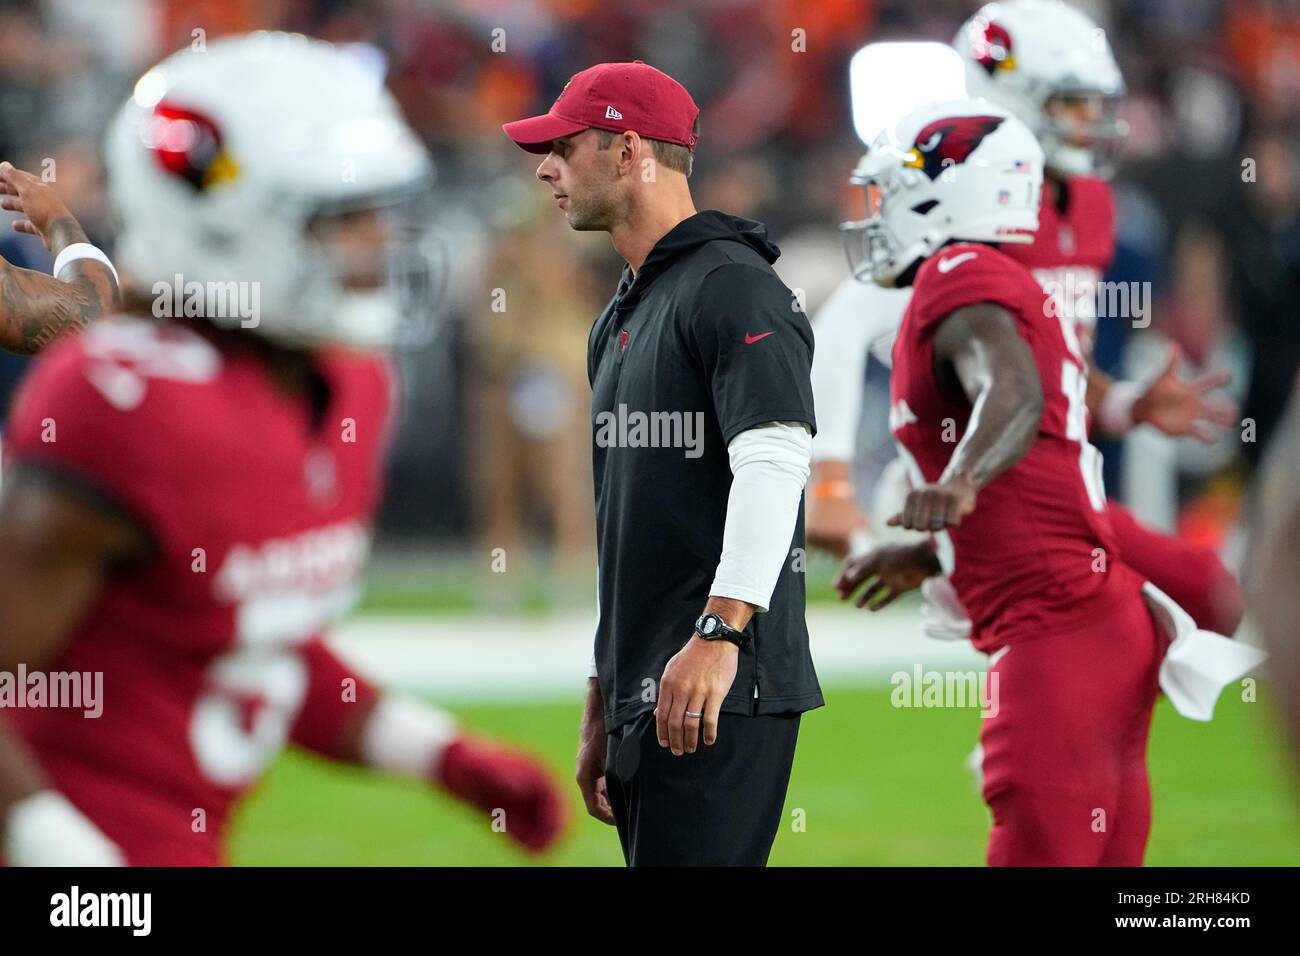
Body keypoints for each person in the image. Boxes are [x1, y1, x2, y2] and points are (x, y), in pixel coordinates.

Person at [0, 33, 565, 867]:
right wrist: (72, 862)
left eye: (376, 214)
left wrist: (439, 754)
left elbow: (251, 634)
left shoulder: (349, 383)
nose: (377, 245)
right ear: (227, 225)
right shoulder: (126, 400)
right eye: (341, 219)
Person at [813, 0, 1243, 637]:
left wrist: (1125, 405)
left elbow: (1048, 362)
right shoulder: (974, 202)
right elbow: (845, 324)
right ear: (1008, 95)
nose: (1095, 122)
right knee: (1171, 610)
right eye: (1073, 104)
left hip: (1048, 475)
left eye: (1098, 105)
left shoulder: (1091, 204)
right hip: (968, 483)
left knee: (1179, 613)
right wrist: (829, 482)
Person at [835, 96, 1175, 865]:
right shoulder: (996, 276)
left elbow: (1013, 391)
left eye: (892, 192)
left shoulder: (958, 273)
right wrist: (935, 554)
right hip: (1099, 625)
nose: (877, 213)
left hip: (1057, 634)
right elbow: (1038, 472)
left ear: (949, 194)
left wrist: (959, 481)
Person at [503, 60, 822, 865]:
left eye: (564, 147)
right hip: (649, 684)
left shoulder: (735, 288)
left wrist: (719, 632)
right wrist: (604, 687)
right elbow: (631, 518)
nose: (545, 169)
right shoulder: (627, 305)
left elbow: (776, 462)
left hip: (716, 681)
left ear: (628, 152)